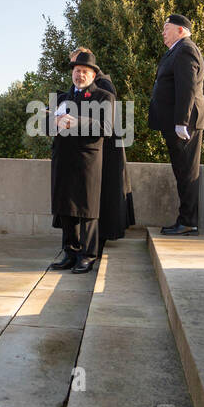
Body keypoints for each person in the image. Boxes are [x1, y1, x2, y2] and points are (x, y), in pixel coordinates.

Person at [50, 50, 116, 273]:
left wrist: (75, 122)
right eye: (77, 71)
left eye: (84, 72)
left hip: (87, 161)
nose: (79, 75)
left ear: (93, 74)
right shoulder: (61, 98)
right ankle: (69, 252)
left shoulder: (104, 97)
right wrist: (52, 120)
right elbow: (46, 127)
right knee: (65, 208)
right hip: (63, 160)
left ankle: (87, 255)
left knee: (87, 210)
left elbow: (106, 129)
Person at [68, 48, 133, 256]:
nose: (76, 72)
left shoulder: (103, 86)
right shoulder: (79, 87)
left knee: (98, 198)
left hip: (104, 149)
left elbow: (105, 120)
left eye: (77, 64)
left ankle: (95, 243)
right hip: (91, 147)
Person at [148, 13, 204, 235]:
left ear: (180, 30)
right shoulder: (174, 51)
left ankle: (188, 221)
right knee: (181, 171)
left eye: (166, 28)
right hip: (175, 122)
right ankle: (185, 219)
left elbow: (187, 87)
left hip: (184, 123)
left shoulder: (186, 49)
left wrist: (182, 121)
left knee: (186, 172)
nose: (163, 32)